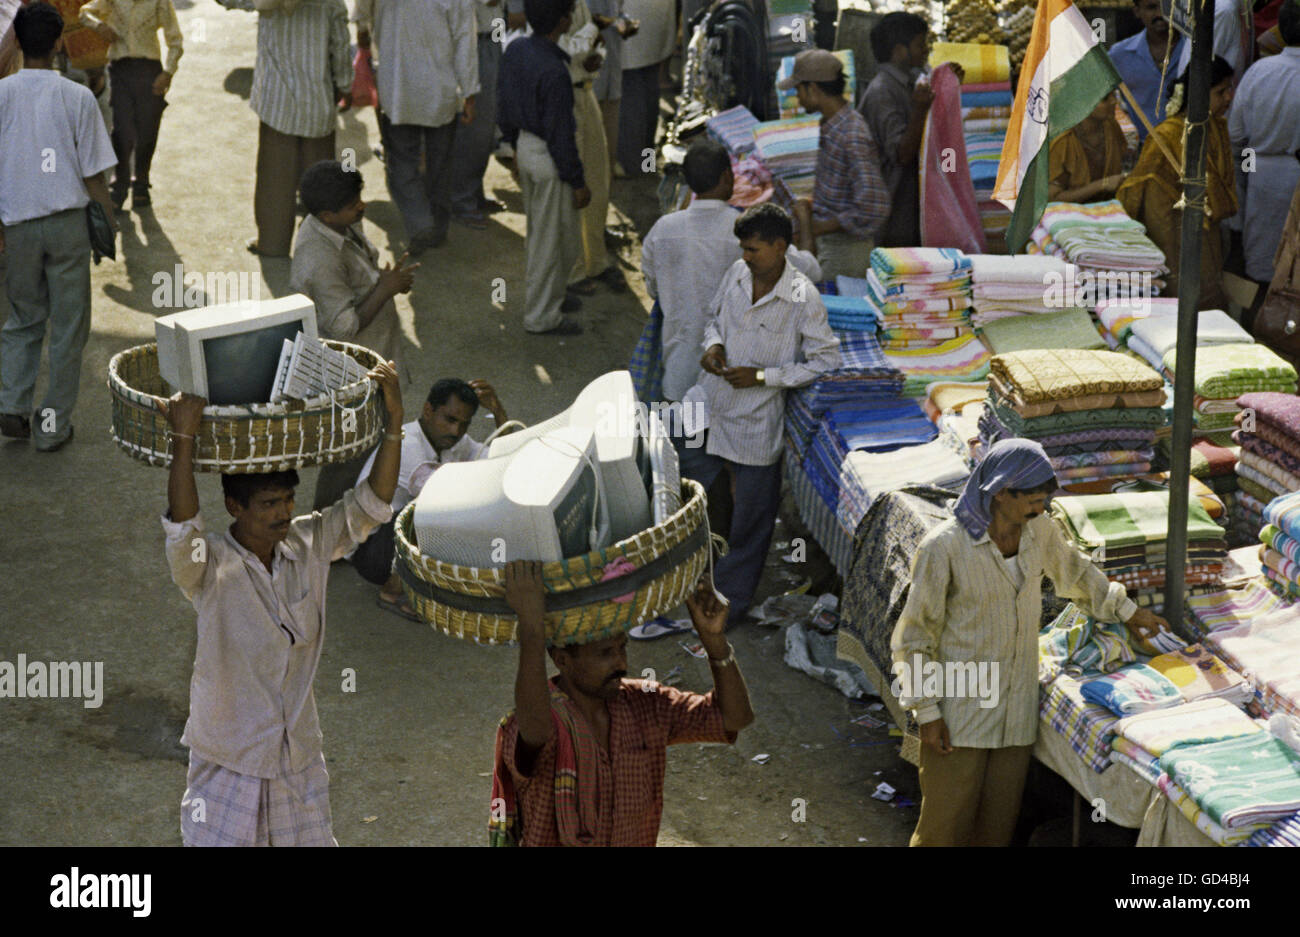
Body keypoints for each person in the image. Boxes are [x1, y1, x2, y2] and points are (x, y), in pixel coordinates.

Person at [161, 360, 404, 846]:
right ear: (235, 507)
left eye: (287, 500)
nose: (283, 513)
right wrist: (182, 441)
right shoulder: (207, 566)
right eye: (269, 504)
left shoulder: (309, 542)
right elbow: (182, 525)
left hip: (297, 753)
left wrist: (394, 423)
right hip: (231, 754)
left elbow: (372, 505)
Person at [891, 439, 1169, 847]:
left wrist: (1131, 614)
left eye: (1044, 499)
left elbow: (1076, 574)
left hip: (1017, 707)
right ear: (1000, 492)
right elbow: (914, 637)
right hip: (961, 706)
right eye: (1032, 500)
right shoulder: (944, 547)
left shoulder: (1039, 531)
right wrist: (927, 712)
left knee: (998, 827)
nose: (1039, 508)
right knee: (943, 827)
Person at [491, 563, 754, 846]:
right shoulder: (542, 719)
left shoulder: (646, 704)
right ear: (562, 660)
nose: (622, 663)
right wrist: (531, 629)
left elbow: (733, 718)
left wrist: (714, 640)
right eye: (605, 653)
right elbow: (536, 731)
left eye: (622, 647)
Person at [694, 203, 842, 624]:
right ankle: (706, 581)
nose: (745, 256)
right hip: (714, 407)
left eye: (754, 249)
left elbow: (826, 361)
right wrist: (713, 347)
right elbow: (712, 319)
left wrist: (764, 376)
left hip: (757, 421)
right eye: (743, 248)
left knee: (752, 521)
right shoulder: (737, 274)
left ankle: (730, 604)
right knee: (711, 502)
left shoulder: (803, 297)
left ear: (780, 247)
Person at [0, 2, 117, 452]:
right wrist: (107, 227)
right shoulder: (77, 97)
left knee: (24, 318)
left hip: (19, 226)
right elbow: (94, 177)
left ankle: (12, 403)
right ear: (57, 43)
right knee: (68, 329)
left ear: (17, 42)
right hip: (68, 226)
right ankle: (50, 427)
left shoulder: (3, 95)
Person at [641, 139, 822, 419]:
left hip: (679, 372)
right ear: (728, 177)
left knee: (681, 452)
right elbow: (811, 271)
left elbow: (654, 289)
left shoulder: (662, 230)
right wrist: (805, 219)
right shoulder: (747, 234)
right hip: (737, 380)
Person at [351, 377, 511, 620]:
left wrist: (499, 411)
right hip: (372, 549)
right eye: (450, 420)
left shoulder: (453, 440)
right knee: (440, 512)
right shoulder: (407, 445)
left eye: (464, 424)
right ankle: (393, 590)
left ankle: (425, 584)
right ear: (428, 410)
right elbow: (445, 502)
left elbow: (504, 461)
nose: (456, 431)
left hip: (395, 535)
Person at [353, 0, 478, 255]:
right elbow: (465, 40)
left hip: (398, 88)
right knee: (440, 164)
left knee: (401, 163)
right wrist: (469, 92)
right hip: (440, 91)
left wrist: (365, 34)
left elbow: (362, 16)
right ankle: (436, 227)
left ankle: (421, 223)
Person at [497, 0, 590, 336]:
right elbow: (560, 135)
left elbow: (503, 102)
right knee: (552, 241)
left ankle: (553, 297)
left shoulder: (516, 49)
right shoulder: (555, 71)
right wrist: (577, 180)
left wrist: (512, 145)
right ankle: (541, 316)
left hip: (525, 145)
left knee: (542, 233)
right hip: (549, 158)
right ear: (563, 21)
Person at [1117, 57, 1237, 308]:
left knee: (1210, 303)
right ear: (1199, 95)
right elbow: (1154, 207)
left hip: (1209, 234)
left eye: (1229, 89)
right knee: (1182, 305)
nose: (1229, 98)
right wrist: (1170, 263)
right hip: (1176, 237)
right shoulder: (1166, 136)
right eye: (1221, 92)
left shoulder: (1216, 126)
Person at [246, 0, 353, 258]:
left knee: (275, 179)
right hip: (316, 101)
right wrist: (346, 84)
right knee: (319, 182)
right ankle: (320, 248)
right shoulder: (331, 4)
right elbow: (340, 45)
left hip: (276, 102)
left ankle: (272, 243)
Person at [782, 49, 890, 281]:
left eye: (799, 90)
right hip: (832, 245)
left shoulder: (852, 133)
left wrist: (820, 227)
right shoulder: (833, 126)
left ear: (813, 89)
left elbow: (874, 206)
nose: (797, 98)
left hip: (845, 251)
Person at [78, 0, 183, 209]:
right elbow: (84, 13)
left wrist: (168, 72)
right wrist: (100, 26)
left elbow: (175, 41)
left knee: (147, 131)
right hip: (120, 69)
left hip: (149, 70)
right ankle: (119, 186)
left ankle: (141, 185)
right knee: (122, 132)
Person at [1228, 0, 1300, 286]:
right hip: (1273, 169)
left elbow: (1236, 136)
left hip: (1264, 176)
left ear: (1280, 29)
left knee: (1262, 265)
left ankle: (1259, 323)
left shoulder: (1259, 72)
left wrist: (1247, 168)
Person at [559, 0, 626, 293]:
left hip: (586, 91)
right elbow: (564, 47)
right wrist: (593, 29)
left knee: (597, 179)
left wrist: (596, 54)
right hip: (562, 96)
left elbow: (592, 44)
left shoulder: (582, 4)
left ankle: (596, 261)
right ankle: (572, 272)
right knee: (570, 186)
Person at [859, 11, 929, 248]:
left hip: (907, 202)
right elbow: (902, 153)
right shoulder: (882, 92)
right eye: (920, 44)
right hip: (893, 209)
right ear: (900, 50)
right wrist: (920, 110)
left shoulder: (907, 82)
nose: (926, 50)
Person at [448, 0, 507, 229]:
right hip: (476, 41)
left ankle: (474, 193)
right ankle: (462, 200)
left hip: (493, 35)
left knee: (488, 124)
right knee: (475, 128)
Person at [1108, 0, 1185, 143]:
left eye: (1166, 7)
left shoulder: (1194, 50)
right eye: (1151, 7)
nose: (1160, 14)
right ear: (1137, 11)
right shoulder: (1119, 55)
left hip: (1186, 148)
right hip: (1141, 150)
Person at [616, 0, 674, 178]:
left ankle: (634, 166)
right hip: (654, 24)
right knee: (649, 104)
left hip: (632, 30)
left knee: (634, 109)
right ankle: (647, 165)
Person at [1047, 90, 1128, 203]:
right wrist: (1102, 185)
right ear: (1083, 103)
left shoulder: (1111, 126)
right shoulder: (1063, 141)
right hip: (1069, 214)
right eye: (1104, 98)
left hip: (1107, 209)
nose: (1114, 101)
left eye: (1113, 95)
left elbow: (1125, 159)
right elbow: (1052, 198)